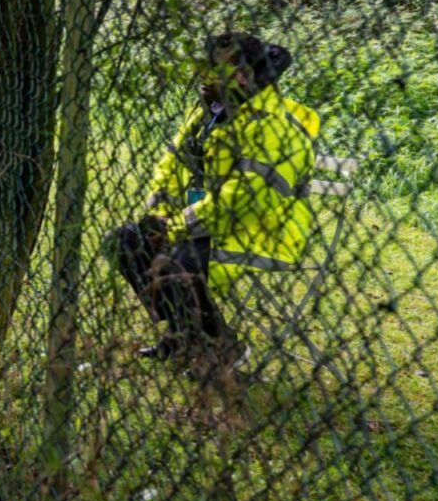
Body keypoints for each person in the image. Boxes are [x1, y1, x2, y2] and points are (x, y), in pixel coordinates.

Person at [106, 31, 322, 367]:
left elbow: (243, 200)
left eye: (214, 68)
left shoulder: (274, 125)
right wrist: (160, 216)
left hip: (262, 230)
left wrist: (175, 227)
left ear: (243, 75)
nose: (203, 75)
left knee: (179, 260)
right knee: (125, 240)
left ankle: (222, 347)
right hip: (204, 223)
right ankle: (184, 334)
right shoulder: (209, 113)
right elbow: (170, 167)